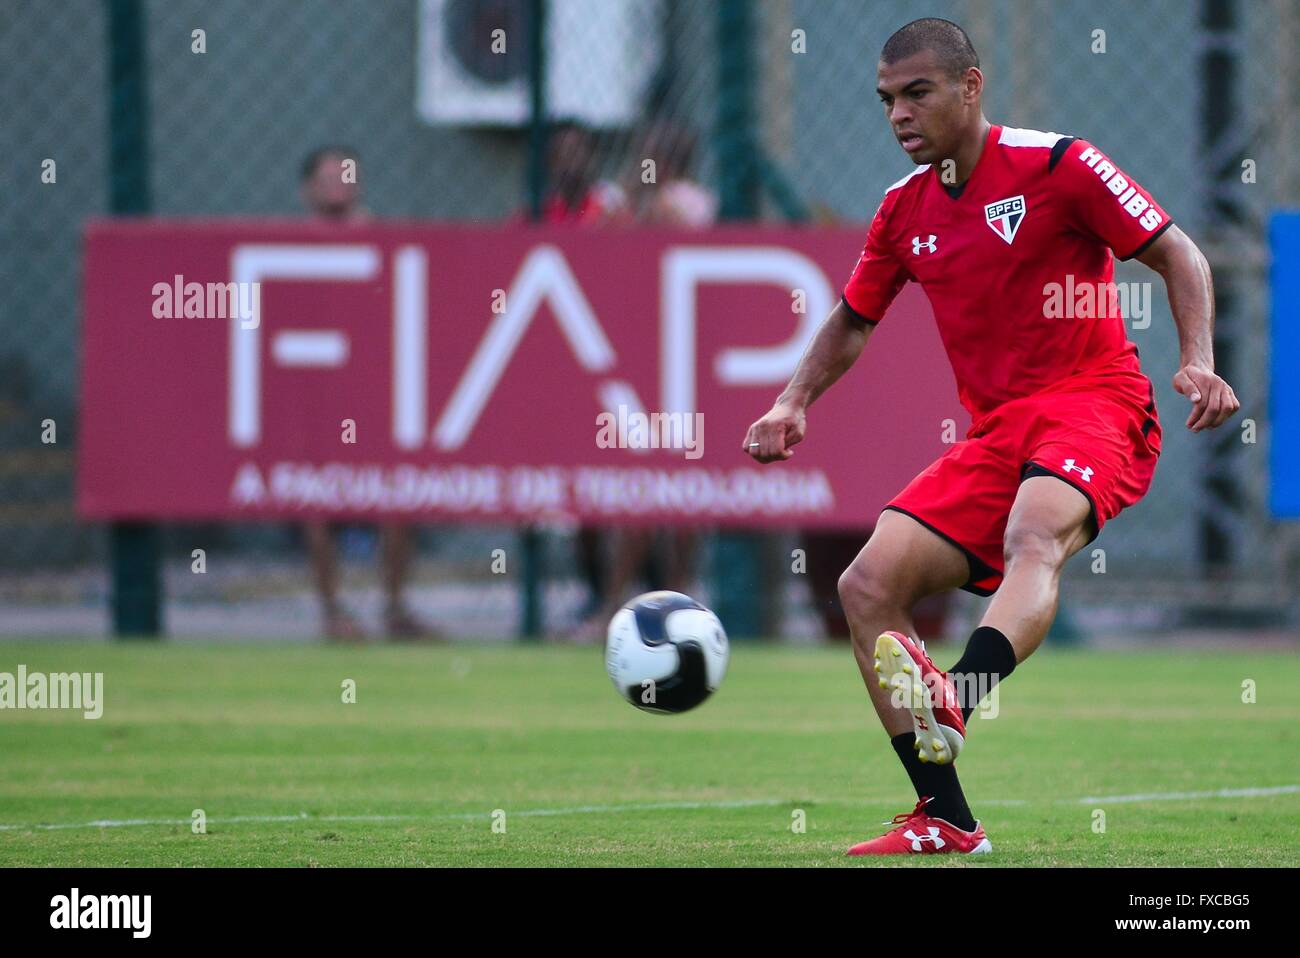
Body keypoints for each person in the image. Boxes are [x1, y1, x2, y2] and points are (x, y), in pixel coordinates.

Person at [742, 18, 1239, 855]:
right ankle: (945, 816)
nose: (899, 115)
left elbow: (1181, 255)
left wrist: (1197, 361)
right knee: (866, 588)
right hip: (998, 433)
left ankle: (961, 695)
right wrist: (794, 400)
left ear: (971, 88)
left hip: (1096, 403)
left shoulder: (1060, 165)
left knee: (1034, 531)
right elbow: (854, 319)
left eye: (918, 94)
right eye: (887, 100)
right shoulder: (903, 211)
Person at [298, 146, 441, 642]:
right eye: (328, 177)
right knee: (316, 501)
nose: (338, 185)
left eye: (347, 175)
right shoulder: (290, 249)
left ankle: (394, 607)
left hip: (377, 393)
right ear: (308, 189)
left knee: (396, 497)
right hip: (313, 393)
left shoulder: (383, 244)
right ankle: (332, 612)